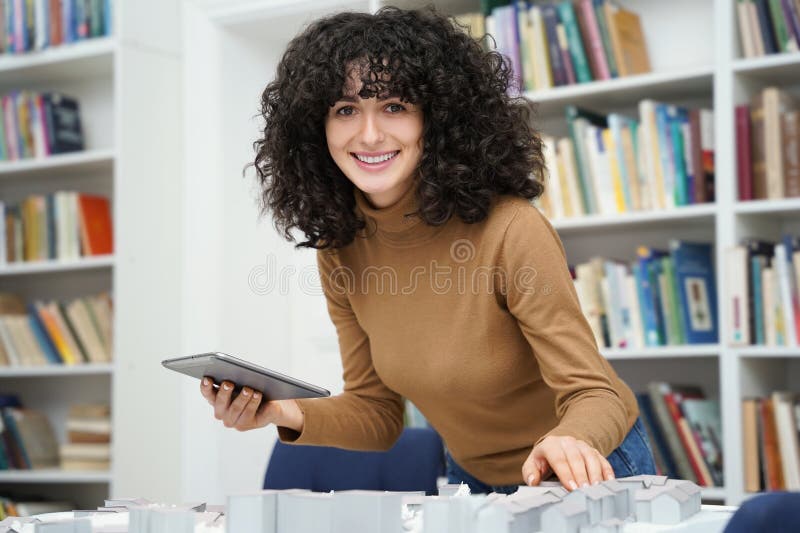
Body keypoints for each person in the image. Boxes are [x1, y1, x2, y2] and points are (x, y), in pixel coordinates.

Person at [199, 5, 656, 494]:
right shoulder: (340, 249)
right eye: (346, 109)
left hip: (584, 467)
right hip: (471, 480)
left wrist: (572, 440)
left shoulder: (510, 229)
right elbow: (377, 413)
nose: (369, 134)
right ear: (317, 128)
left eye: (394, 106)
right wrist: (280, 410)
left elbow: (594, 392)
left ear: (435, 118)